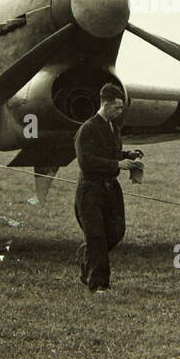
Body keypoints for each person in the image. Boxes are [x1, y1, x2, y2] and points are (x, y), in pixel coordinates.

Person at [73, 83, 144, 292]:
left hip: (110, 189)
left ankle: (87, 255)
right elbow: (86, 161)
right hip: (90, 189)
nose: (119, 112)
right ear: (105, 104)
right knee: (97, 236)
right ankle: (99, 285)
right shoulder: (87, 129)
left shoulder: (113, 127)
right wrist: (117, 165)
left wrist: (127, 155)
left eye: (121, 108)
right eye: (117, 108)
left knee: (116, 231)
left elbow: (109, 152)